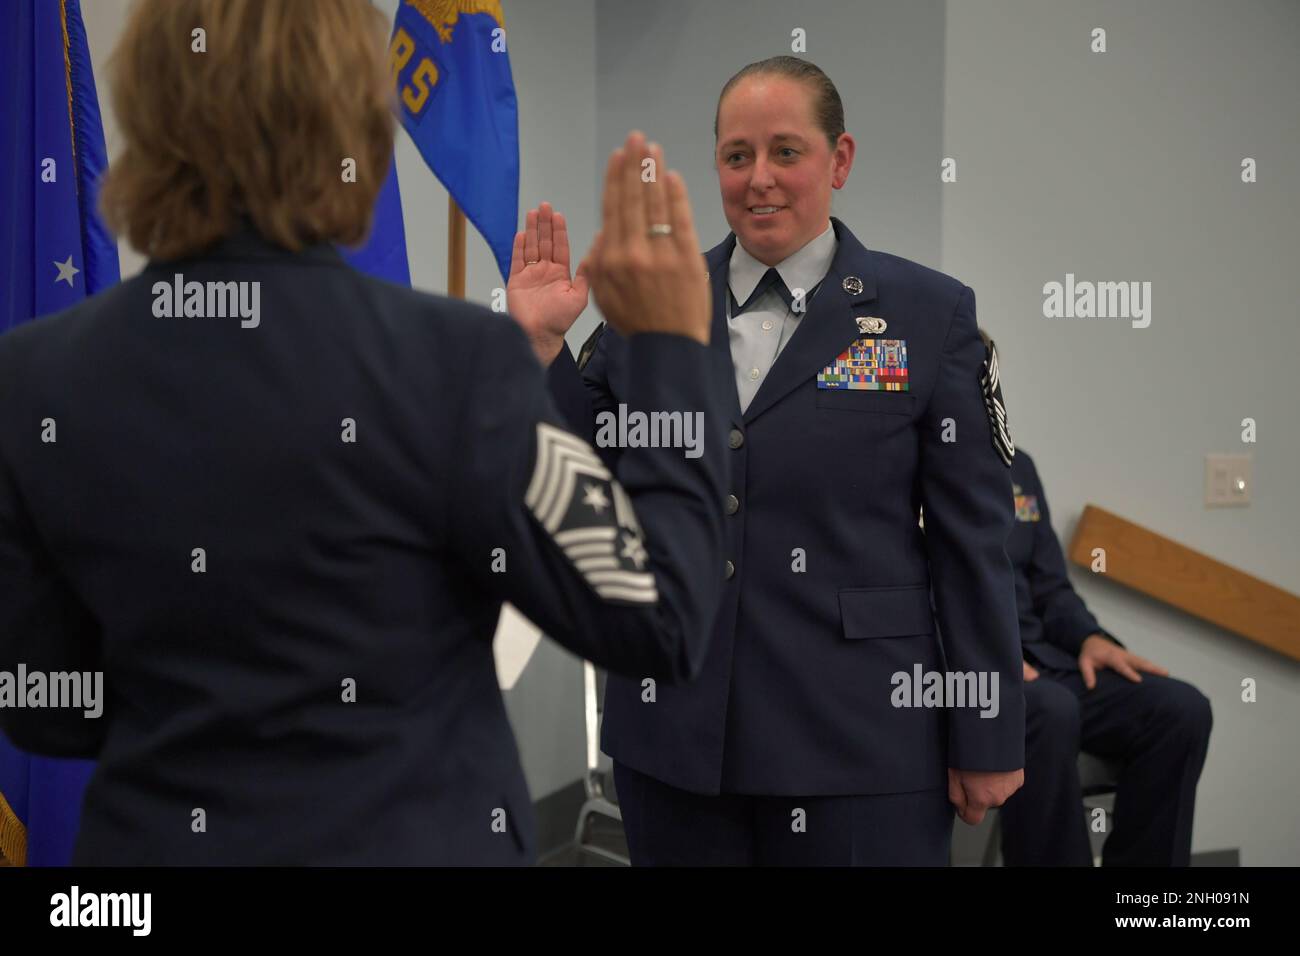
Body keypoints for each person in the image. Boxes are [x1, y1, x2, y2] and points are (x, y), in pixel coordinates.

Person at [0, 0, 727, 865]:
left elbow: (43, 704)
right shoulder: (458, 365)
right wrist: (674, 352)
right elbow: (661, 621)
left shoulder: (32, 379)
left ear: (150, 112)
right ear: (353, 126)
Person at [508, 56, 1025, 865]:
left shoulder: (927, 316)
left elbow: (972, 542)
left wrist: (987, 728)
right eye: (737, 156)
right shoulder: (653, 299)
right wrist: (540, 348)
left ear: (839, 160)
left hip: (858, 743)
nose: (760, 180)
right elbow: (588, 471)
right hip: (677, 737)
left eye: (787, 152)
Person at [998, 442, 1213, 866]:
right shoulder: (910, 453)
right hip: (968, 676)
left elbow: (1050, 587)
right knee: (1050, 711)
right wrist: (976, 656)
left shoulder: (1016, 464)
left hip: (1047, 661)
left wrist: (1090, 638)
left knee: (1180, 710)